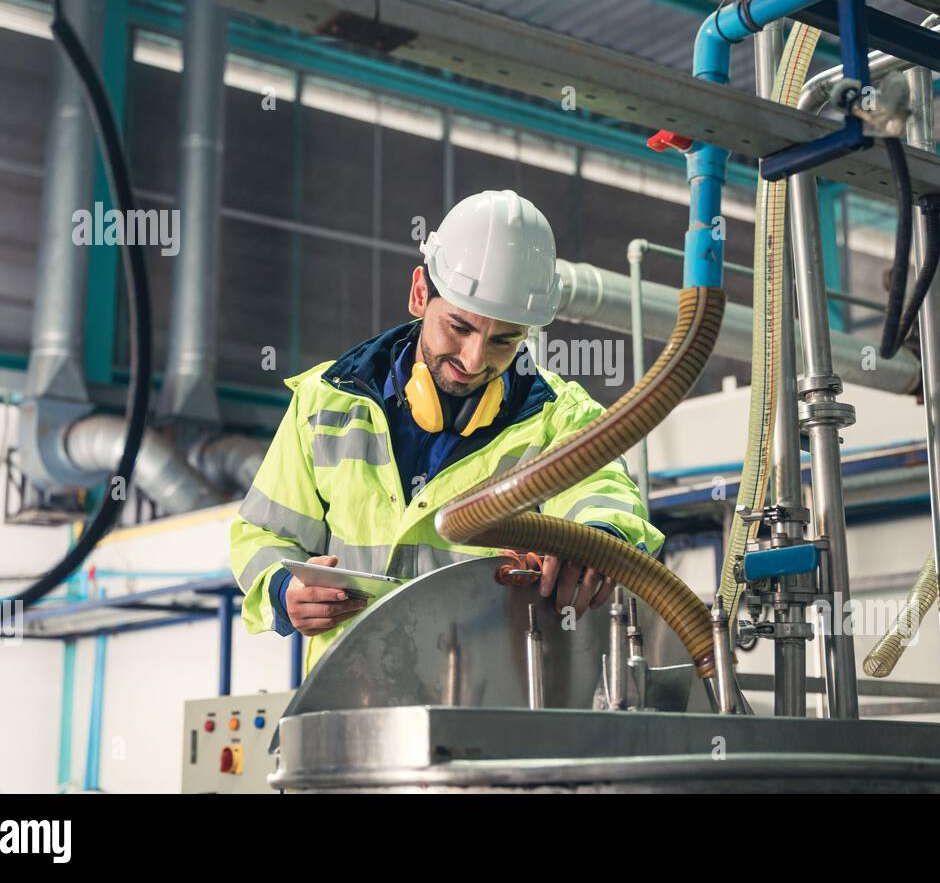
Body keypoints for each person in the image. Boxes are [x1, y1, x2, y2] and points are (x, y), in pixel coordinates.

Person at [229, 189, 663, 673]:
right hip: (348, 700)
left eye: (505, 340)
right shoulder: (325, 403)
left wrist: (596, 540)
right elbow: (262, 532)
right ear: (420, 292)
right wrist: (281, 589)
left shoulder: (560, 419)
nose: (474, 360)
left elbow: (605, 498)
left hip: (487, 704)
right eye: (459, 327)